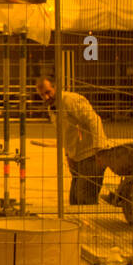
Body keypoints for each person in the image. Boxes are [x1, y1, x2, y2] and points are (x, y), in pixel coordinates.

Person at [36, 75, 113, 206]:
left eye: (48, 92)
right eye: (42, 95)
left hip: (92, 156)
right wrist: (68, 155)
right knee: (75, 201)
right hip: (77, 158)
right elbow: (65, 133)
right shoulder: (52, 108)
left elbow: (94, 121)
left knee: (85, 200)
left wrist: (99, 150)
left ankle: (90, 225)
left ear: (56, 87)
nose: (46, 97)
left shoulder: (71, 100)